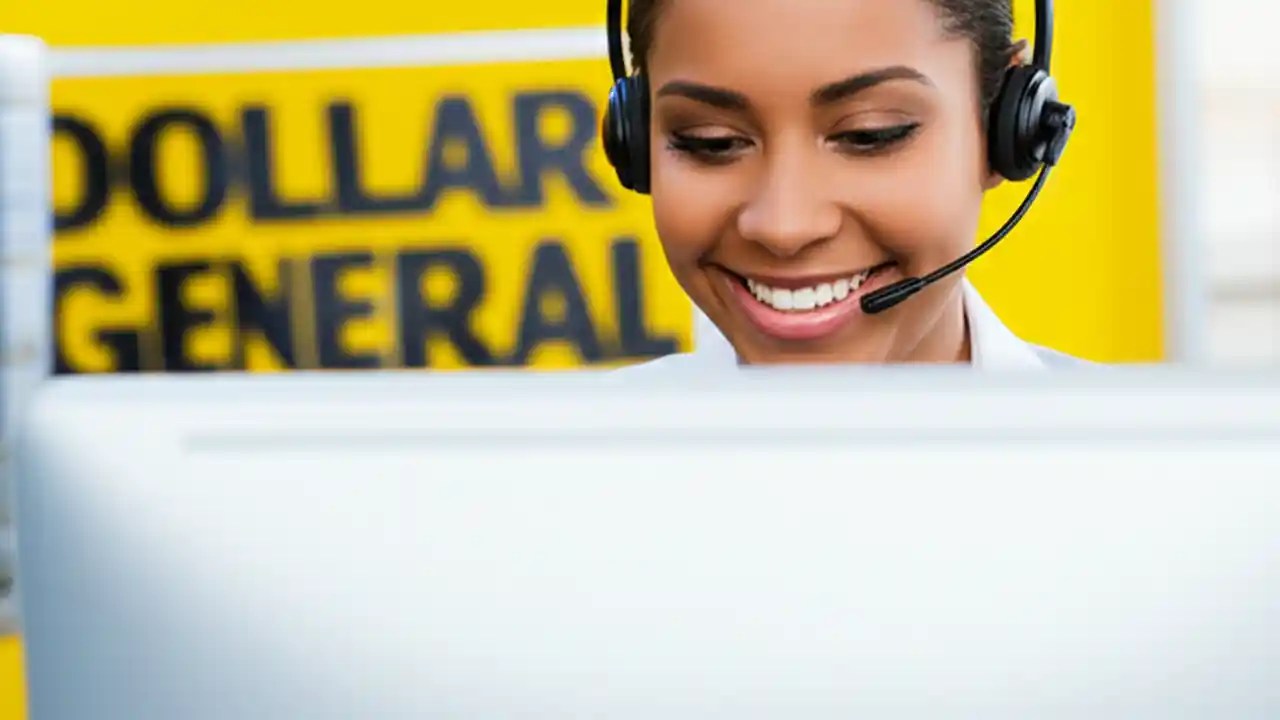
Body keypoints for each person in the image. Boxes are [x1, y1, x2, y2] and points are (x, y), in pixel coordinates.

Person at [602, 0, 1089, 372]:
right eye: (710, 142)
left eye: (868, 135)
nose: (785, 227)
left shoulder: (1148, 481)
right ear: (636, 138)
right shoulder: (561, 474)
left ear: (1008, 127)